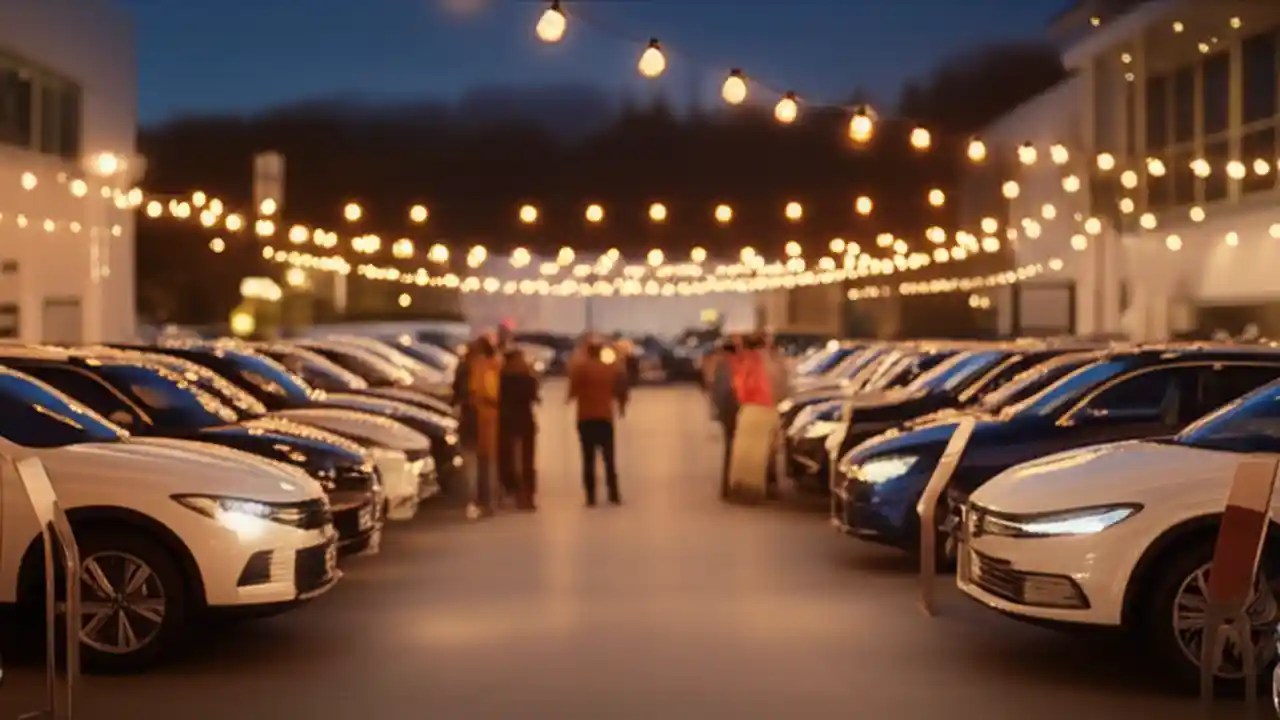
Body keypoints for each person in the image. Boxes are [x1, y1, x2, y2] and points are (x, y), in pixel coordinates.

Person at [726, 332, 787, 502]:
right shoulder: (768, 361)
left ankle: (745, 486)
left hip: (753, 408)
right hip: (766, 407)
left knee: (748, 451)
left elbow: (739, 385)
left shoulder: (747, 360)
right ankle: (755, 487)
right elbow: (780, 385)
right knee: (760, 452)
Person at [568, 337, 628, 506]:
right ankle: (613, 493)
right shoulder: (609, 368)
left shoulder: (580, 369)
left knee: (588, 458)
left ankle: (591, 496)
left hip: (585, 418)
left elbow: (572, 392)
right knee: (609, 457)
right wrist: (622, 406)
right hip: (605, 417)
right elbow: (620, 384)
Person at [465, 334, 503, 519]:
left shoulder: (483, 367)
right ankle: (488, 501)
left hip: (483, 419)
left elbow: (485, 391)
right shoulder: (493, 365)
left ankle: (485, 501)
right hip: (487, 420)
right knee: (486, 463)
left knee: (484, 463)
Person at [498, 348, 540, 511]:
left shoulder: (501, 378)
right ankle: (527, 496)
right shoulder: (528, 378)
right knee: (527, 460)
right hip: (525, 421)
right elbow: (534, 396)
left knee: (507, 459)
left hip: (506, 422)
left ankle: (512, 492)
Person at [708, 335, 741, 498]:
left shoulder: (721, 365)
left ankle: (728, 486)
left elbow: (714, 390)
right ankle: (729, 486)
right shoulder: (729, 365)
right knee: (732, 448)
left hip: (727, 410)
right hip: (733, 410)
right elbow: (722, 391)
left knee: (730, 449)